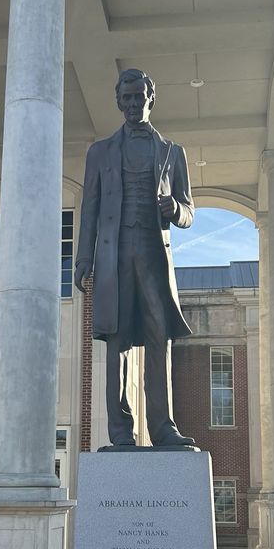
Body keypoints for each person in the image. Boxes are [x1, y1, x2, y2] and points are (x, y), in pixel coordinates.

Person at [75, 68, 196, 448]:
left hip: (153, 255)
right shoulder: (100, 152)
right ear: (118, 102)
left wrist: (174, 207)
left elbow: (190, 211)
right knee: (118, 342)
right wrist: (83, 261)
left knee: (160, 337)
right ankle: (121, 432)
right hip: (113, 256)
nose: (131, 104)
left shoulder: (173, 153)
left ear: (150, 98)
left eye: (137, 97)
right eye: (125, 98)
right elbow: (90, 208)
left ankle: (162, 427)